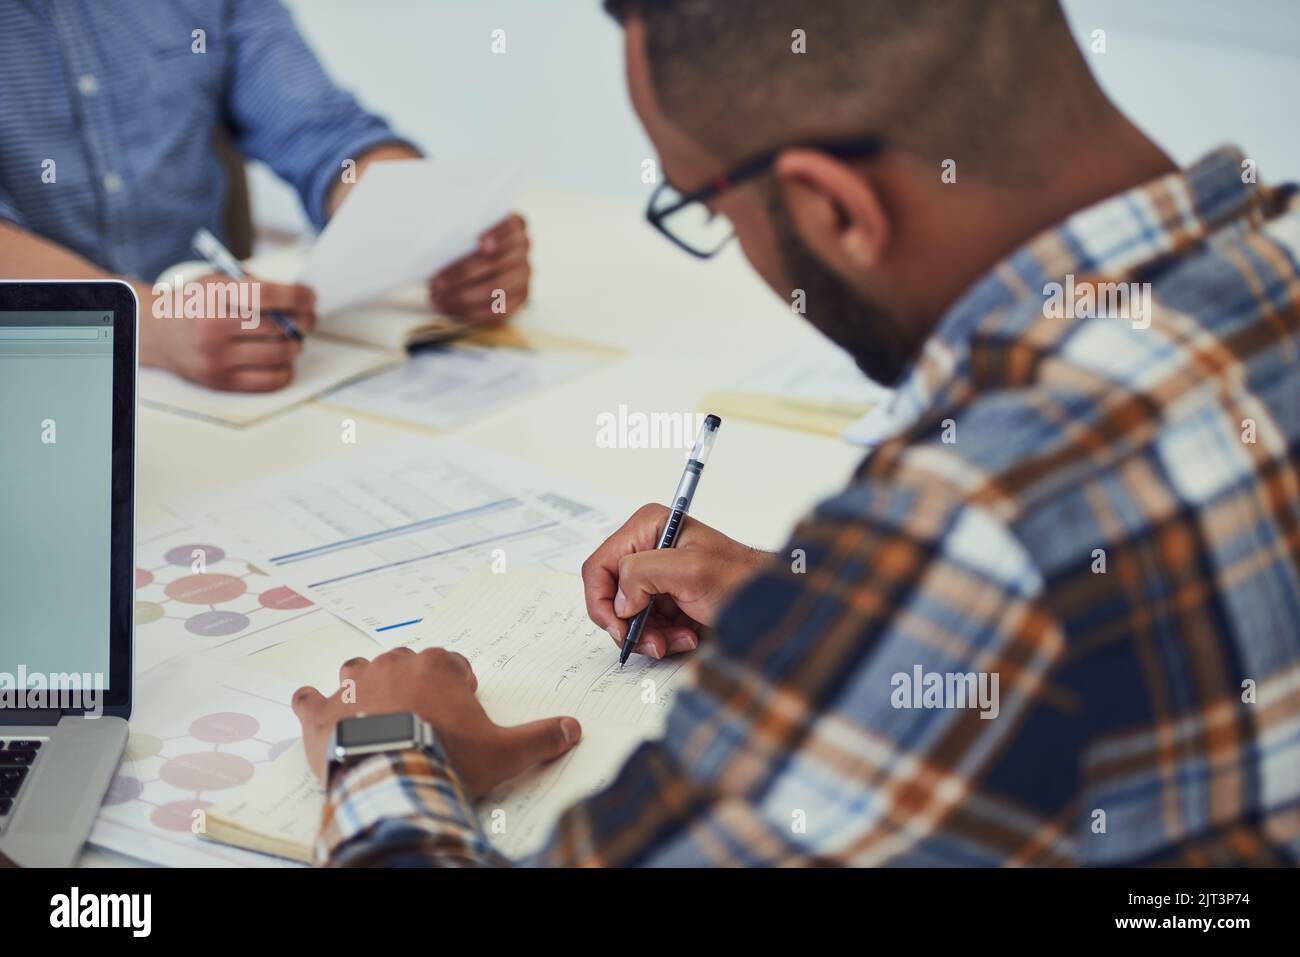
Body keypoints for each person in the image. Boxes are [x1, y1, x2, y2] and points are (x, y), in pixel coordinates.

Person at [291, 0, 1300, 866]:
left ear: (834, 211)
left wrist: (386, 749)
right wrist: (825, 604)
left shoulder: (977, 530)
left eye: (704, 206)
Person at [0, 0, 530, 392]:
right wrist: (146, 322)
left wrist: (434, 228)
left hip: (232, 367)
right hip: (33, 380)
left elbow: (324, 130)